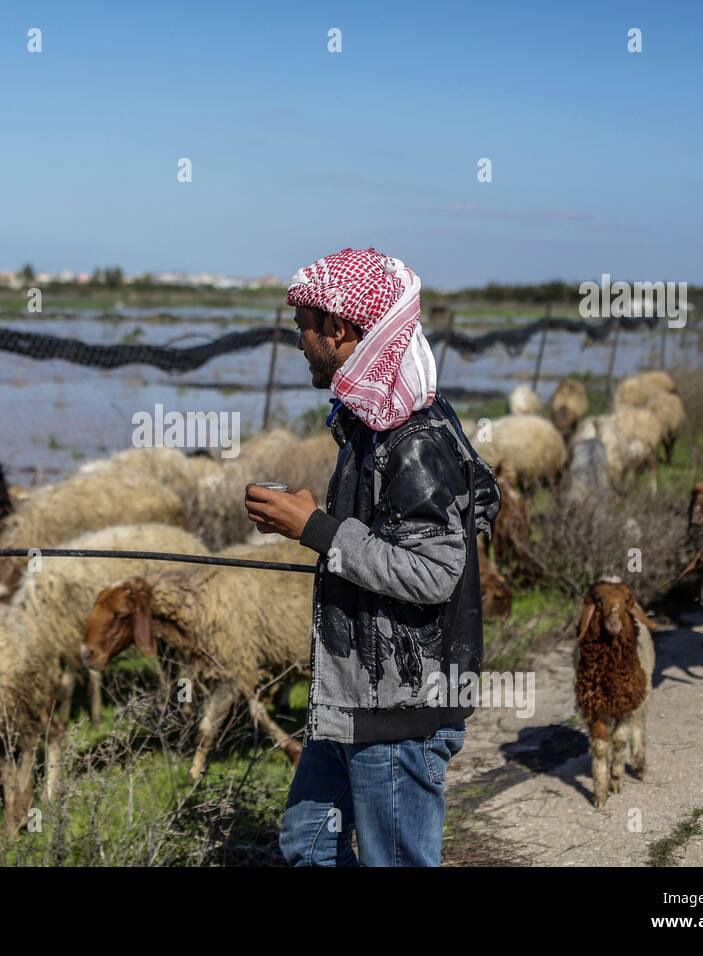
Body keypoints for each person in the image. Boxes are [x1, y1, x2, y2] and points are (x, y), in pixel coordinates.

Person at [244, 247, 500, 867]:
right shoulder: (373, 423)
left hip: (399, 705)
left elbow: (437, 571)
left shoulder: (411, 436)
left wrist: (317, 529)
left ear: (340, 329)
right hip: (356, 693)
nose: (299, 342)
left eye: (303, 327)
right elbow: (451, 516)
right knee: (308, 842)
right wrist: (317, 523)